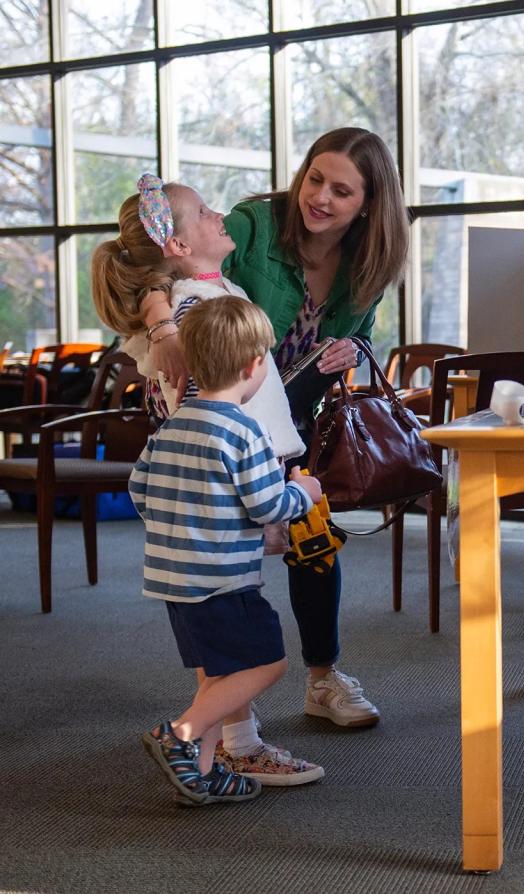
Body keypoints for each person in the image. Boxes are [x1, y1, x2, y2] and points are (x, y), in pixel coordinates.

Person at [142, 127, 410, 728]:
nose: (320, 197)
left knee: (312, 541)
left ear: (368, 204)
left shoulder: (369, 261)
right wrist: (164, 332)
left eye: (341, 191)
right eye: (315, 178)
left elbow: (356, 333)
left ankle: (322, 680)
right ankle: (232, 720)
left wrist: (350, 347)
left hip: (291, 420)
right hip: (215, 414)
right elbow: (166, 270)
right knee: (218, 563)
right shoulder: (255, 227)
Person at [93, 175, 324, 786]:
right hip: (237, 486)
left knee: (223, 643)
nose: (219, 214)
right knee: (246, 640)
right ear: (175, 243)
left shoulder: (198, 298)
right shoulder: (199, 310)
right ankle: (217, 739)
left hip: (216, 500)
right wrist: (270, 507)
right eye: (202, 211)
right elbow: (217, 412)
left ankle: (209, 758)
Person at [132, 296, 325, 805]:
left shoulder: (170, 427)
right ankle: (182, 732)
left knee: (218, 674)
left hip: (174, 579)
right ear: (253, 366)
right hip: (223, 580)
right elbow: (267, 507)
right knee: (267, 664)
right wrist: (305, 494)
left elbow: (139, 489)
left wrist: (179, 527)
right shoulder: (245, 430)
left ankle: (200, 771)